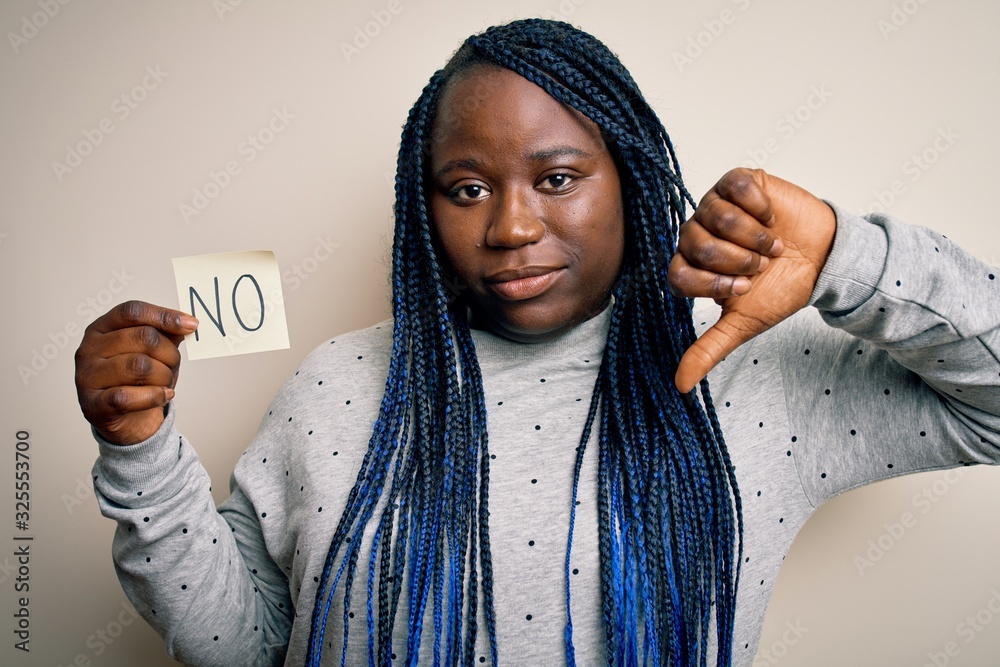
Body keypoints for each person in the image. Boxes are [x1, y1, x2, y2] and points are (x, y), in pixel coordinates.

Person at [73, 18, 1000, 667]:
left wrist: (848, 256)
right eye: (466, 188)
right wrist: (139, 450)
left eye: (558, 177)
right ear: (421, 208)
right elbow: (244, 643)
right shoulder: (336, 387)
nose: (512, 225)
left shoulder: (749, 380)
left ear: (629, 180)